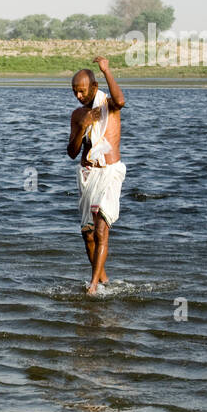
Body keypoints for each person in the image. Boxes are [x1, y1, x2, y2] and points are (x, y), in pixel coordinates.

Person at [66, 56, 126, 295]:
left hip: (109, 172)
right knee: (88, 235)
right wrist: (82, 126)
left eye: (82, 91)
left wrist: (106, 70)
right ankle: (102, 280)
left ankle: (92, 286)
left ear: (94, 87)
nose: (79, 96)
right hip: (87, 174)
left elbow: (121, 100)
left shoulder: (108, 105)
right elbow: (72, 152)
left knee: (101, 229)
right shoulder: (77, 115)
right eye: (74, 92)